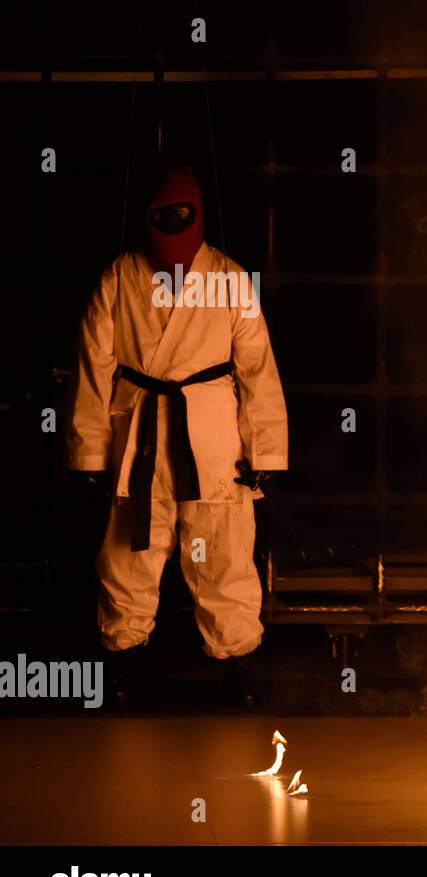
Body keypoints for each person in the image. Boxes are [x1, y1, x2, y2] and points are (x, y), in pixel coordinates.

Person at [69, 164, 288, 707]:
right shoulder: (118, 280)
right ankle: (121, 659)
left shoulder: (231, 281)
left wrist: (265, 451)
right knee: (129, 555)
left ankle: (237, 660)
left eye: (180, 214)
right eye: (162, 214)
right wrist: (91, 451)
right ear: (147, 217)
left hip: (212, 441)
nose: (171, 220)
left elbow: (257, 371)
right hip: (139, 436)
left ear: (198, 215)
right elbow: (92, 370)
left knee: (224, 554)